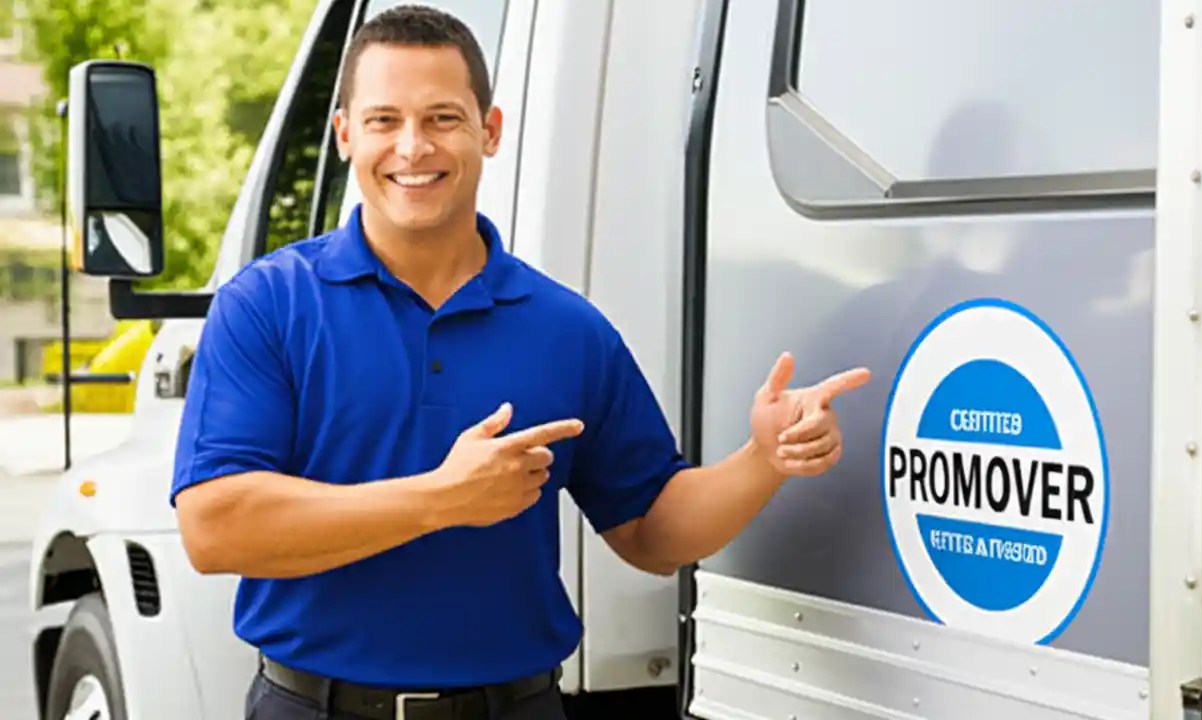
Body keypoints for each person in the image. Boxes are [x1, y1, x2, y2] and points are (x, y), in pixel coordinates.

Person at [170, 5, 871, 720]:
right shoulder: (266, 306)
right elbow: (215, 526)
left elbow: (651, 533)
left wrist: (762, 458)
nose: (413, 147)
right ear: (347, 134)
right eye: (384, 120)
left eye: (443, 118)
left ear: (490, 131)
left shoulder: (567, 329)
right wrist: (441, 498)